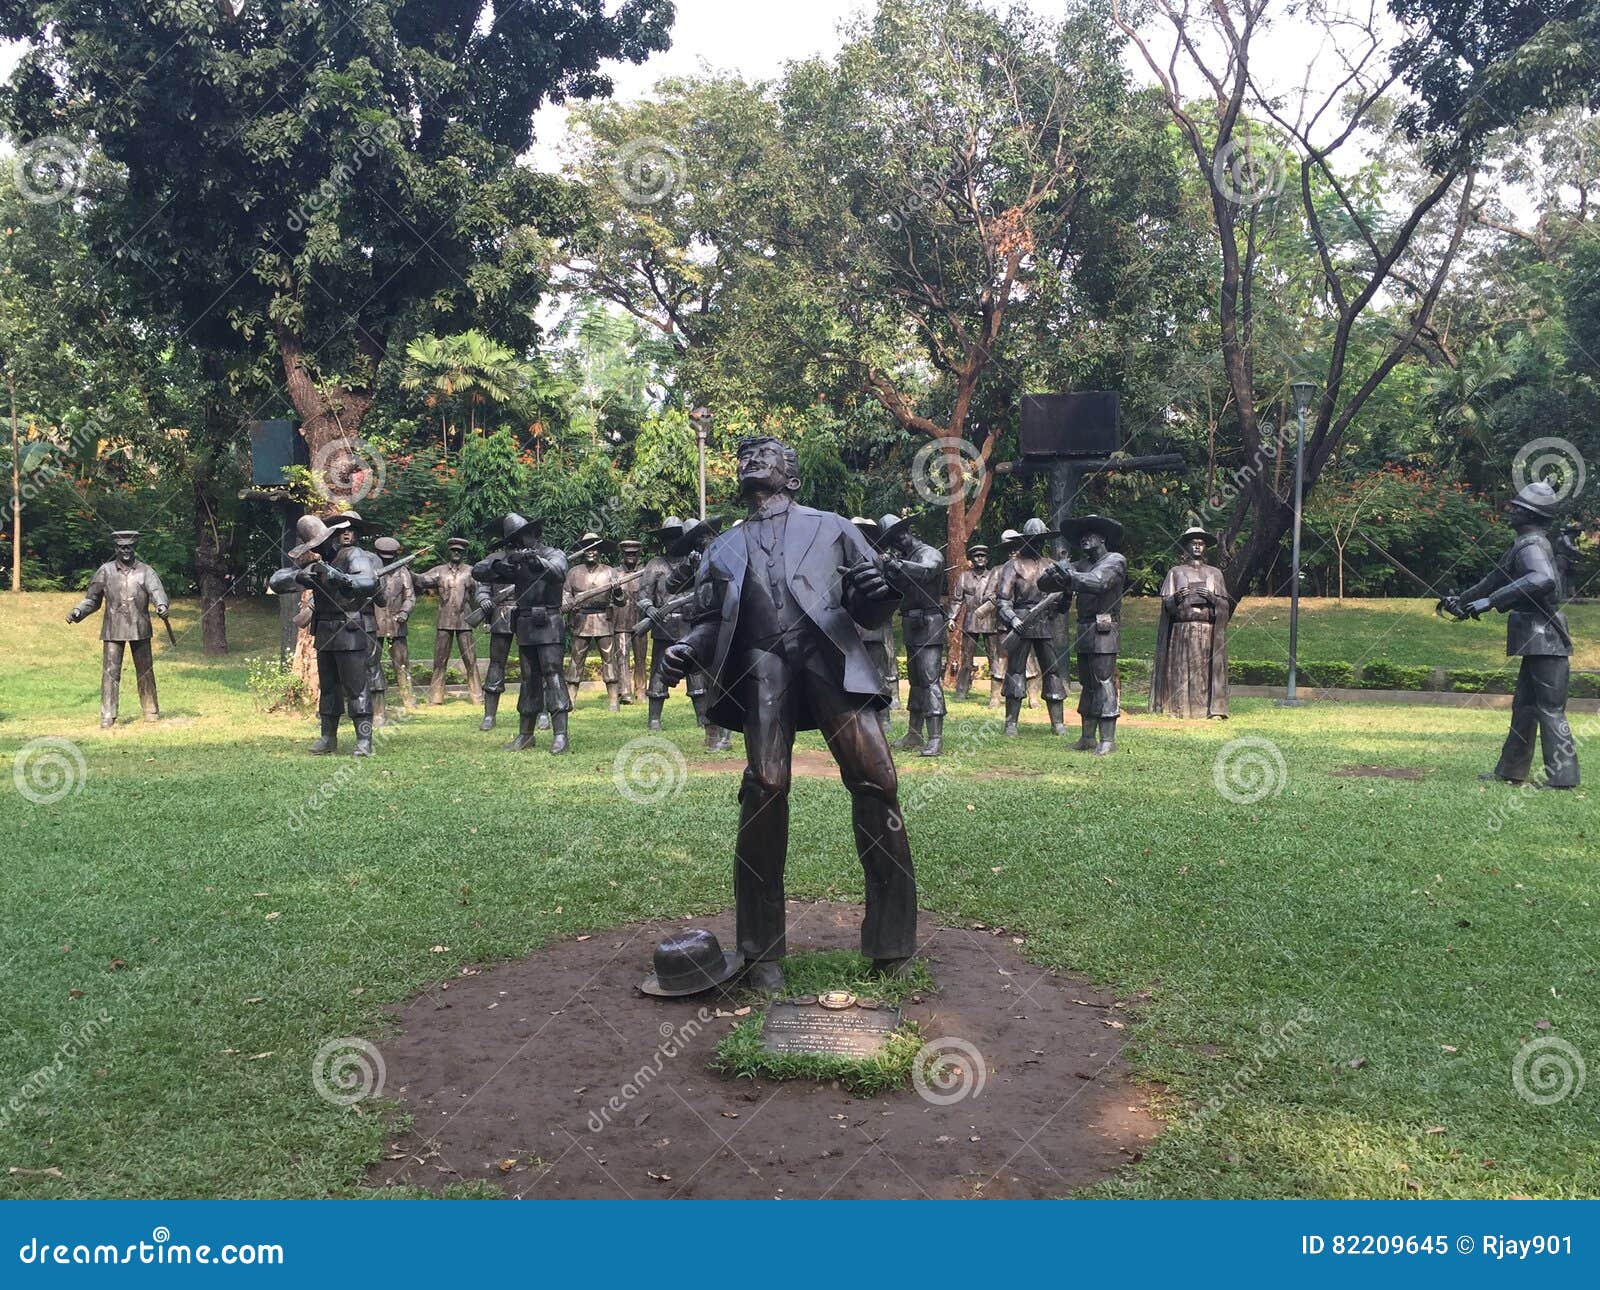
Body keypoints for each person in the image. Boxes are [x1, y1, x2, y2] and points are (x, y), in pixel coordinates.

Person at [661, 435, 917, 991]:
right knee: (765, 787)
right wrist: (687, 648)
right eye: (745, 456)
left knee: (877, 780)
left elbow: (871, 602)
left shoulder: (833, 527)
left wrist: (883, 589)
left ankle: (892, 943)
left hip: (831, 660)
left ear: (792, 477)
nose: (752, 460)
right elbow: (710, 621)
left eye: (767, 455)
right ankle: (760, 951)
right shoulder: (723, 547)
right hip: (762, 668)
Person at [1441, 481, 1578, 788]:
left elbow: (1542, 579)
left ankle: (1563, 777)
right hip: (1537, 639)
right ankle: (1511, 771)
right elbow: (1495, 579)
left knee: (1550, 709)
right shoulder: (1522, 544)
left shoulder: (1532, 546)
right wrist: (1462, 601)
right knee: (1525, 706)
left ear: (1531, 515)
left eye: (1517, 507)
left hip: (1546, 637)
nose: (1511, 510)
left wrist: (1491, 601)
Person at [268, 515, 383, 756]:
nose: (319, 548)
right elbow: (277, 581)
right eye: (314, 546)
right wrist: (300, 577)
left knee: (357, 687)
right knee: (329, 689)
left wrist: (343, 579)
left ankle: (364, 740)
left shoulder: (353, 555)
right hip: (324, 632)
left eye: (322, 543)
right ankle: (328, 737)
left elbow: (369, 582)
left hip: (350, 631)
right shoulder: (316, 564)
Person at [472, 513, 572, 752]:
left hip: (548, 621)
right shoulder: (514, 559)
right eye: (512, 540)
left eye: (520, 537)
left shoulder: (553, 554)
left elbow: (559, 571)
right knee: (529, 680)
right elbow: (478, 571)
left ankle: (561, 735)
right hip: (525, 623)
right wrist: (499, 565)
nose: (516, 543)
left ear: (535, 534)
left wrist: (538, 563)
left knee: (553, 675)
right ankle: (526, 734)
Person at [1041, 514, 1127, 755]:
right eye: (1080, 536)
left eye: (1089, 534)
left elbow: (1098, 582)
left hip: (1104, 628)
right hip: (1084, 629)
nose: (1083, 539)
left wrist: (1068, 575)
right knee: (1087, 684)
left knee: (1103, 681)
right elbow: (1044, 585)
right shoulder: (1080, 565)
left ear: (1102, 538)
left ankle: (1107, 739)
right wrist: (1054, 571)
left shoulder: (1115, 560)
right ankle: (1087, 737)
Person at [67, 530, 169, 728]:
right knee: (110, 672)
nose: (126, 551)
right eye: (122, 548)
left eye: (129, 547)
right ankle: (108, 715)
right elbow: (92, 599)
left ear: (135, 548)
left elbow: (157, 591)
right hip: (113, 629)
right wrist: (78, 611)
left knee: (145, 670)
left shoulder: (146, 571)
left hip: (139, 627)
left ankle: (151, 710)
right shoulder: (105, 571)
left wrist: (162, 605)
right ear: (116, 549)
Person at [875, 513, 947, 757]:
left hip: (929, 623)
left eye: (899, 536)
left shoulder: (929, 553)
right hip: (911, 622)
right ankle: (914, 733)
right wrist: (887, 570)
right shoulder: (902, 558)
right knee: (915, 681)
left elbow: (928, 571)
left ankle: (935, 738)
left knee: (929, 679)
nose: (898, 542)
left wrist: (900, 566)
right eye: (892, 541)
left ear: (907, 532)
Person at [995, 518, 1069, 737]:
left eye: (1040, 540)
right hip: (1021, 621)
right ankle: (1011, 723)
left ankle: (1058, 723)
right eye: (1032, 540)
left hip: (1045, 622)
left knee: (1052, 671)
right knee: (1016, 671)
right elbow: (1002, 600)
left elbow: (1062, 606)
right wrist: (1012, 619)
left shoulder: (1051, 566)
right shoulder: (1013, 566)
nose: (1036, 544)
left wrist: (1067, 594)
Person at [1150, 525, 1230, 719]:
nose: (1197, 546)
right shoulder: (1175, 572)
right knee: (1180, 670)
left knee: (1204, 672)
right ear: (1186, 546)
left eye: (1201, 543)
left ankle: (1208, 710)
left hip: (1206, 631)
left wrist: (1212, 598)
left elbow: (1224, 606)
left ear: (1205, 547)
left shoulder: (1215, 573)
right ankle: (1177, 708)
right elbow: (1166, 606)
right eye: (1193, 543)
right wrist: (1176, 598)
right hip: (1181, 630)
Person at [414, 538, 484, 706]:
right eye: (453, 550)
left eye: (459, 550)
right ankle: (436, 697)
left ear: (463, 553)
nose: (456, 553)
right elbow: (420, 580)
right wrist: (406, 570)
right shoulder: (439, 571)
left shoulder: (471, 572)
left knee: (471, 660)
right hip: (444, 621)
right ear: (449, 552)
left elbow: (481, 593)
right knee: (440, 660)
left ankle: (477, 696)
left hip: (464, 621)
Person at [563, 532, 626, 711]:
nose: (591, 551)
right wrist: (569, 603)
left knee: (609, 659)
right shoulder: (573, 572)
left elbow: (621, 601)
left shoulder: (610, 571)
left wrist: (618, 591)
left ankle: (613, 701)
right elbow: (565, 595)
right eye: (587, 548)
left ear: (600, 551)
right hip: (581, 620)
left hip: (603, 620)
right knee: (576, 659)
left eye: (594, 548)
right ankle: (570, 700)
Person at [852, 517, 897, 734]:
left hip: (873, 628)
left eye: (863, 532)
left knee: (878, 672)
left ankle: (884, 716)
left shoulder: (880, 559)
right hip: (849, 629)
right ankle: (858, 716)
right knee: (853, 675)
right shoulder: (843, 555)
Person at [371, 536, 417, 719]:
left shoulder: (402, 571)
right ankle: (374, 701)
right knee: (372, 663)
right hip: (374, 624)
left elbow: (410, 596)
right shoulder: (370, 570)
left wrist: (405, 612)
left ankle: (408, 699)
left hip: (397, 624)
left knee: (402, 663)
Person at [951, 541, 1000, 705]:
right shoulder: (964, 577)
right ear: (972, 559)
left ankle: (996, 693)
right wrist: (952, 618)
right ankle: (961, 690)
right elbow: (957, 600)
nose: (980, 558)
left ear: (987, 559)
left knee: (994, 657)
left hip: (990, 621)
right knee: (966, 657)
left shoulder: (994, 576)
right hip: (970, 621)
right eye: (977, 556)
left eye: (983, 556)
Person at [471, 562, 518, 732]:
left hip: (527, 614)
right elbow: (483, 586)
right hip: (501, 613)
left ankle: (541, 713)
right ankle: (489, 715)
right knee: (496, 664)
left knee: (534, 665)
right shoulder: (495, 561)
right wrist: (484, 599)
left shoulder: (532, 558)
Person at [613, 538, 646, 704]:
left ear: (639, 554)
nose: (630, 556)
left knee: (640, 658)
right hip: (621, 621)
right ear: (622, 555)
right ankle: (624, 691)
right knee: (622, 656)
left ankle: (641, 691)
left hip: (641, 621)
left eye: (634, 554)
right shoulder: (614, 574)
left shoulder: (645, 573)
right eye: (627, 554)